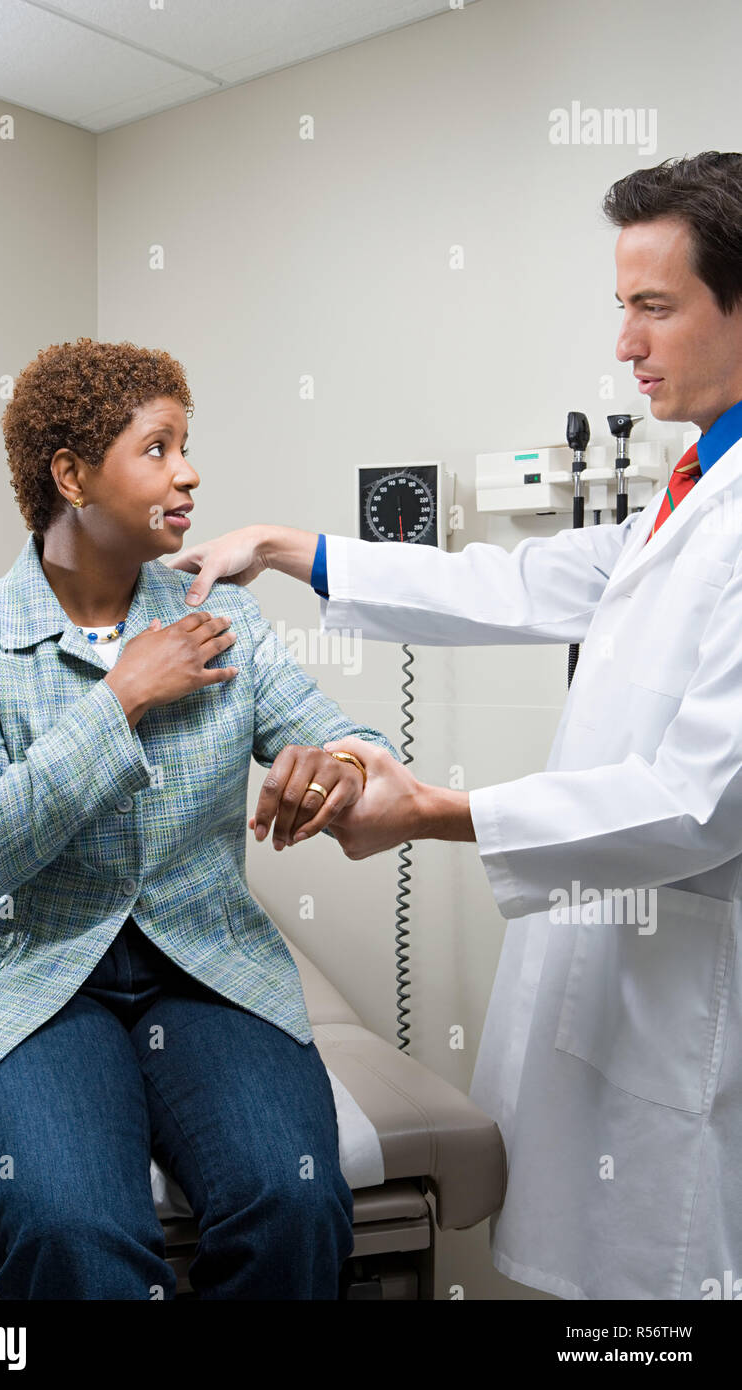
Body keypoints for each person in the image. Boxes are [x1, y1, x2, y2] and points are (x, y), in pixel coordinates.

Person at [166, 153, 742, 1301]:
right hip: (617, 969)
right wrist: (289, 547)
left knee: (670, 1290)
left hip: (688, 994)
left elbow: (700, 800)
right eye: (620, 308)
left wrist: (429, 808)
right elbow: (515, 585)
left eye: (653, 308)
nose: (624, 343)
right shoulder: (689, 484)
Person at [0, 337, 402, 1300]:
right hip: (34, 983)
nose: (189, 473)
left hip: (205, 972)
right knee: (75, 1231)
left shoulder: (222, 618)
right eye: (158, 448)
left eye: (187, 445)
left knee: (294, 1204)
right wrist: (120, 700)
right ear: (71, 475)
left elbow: (352, 742)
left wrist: (336, 765)